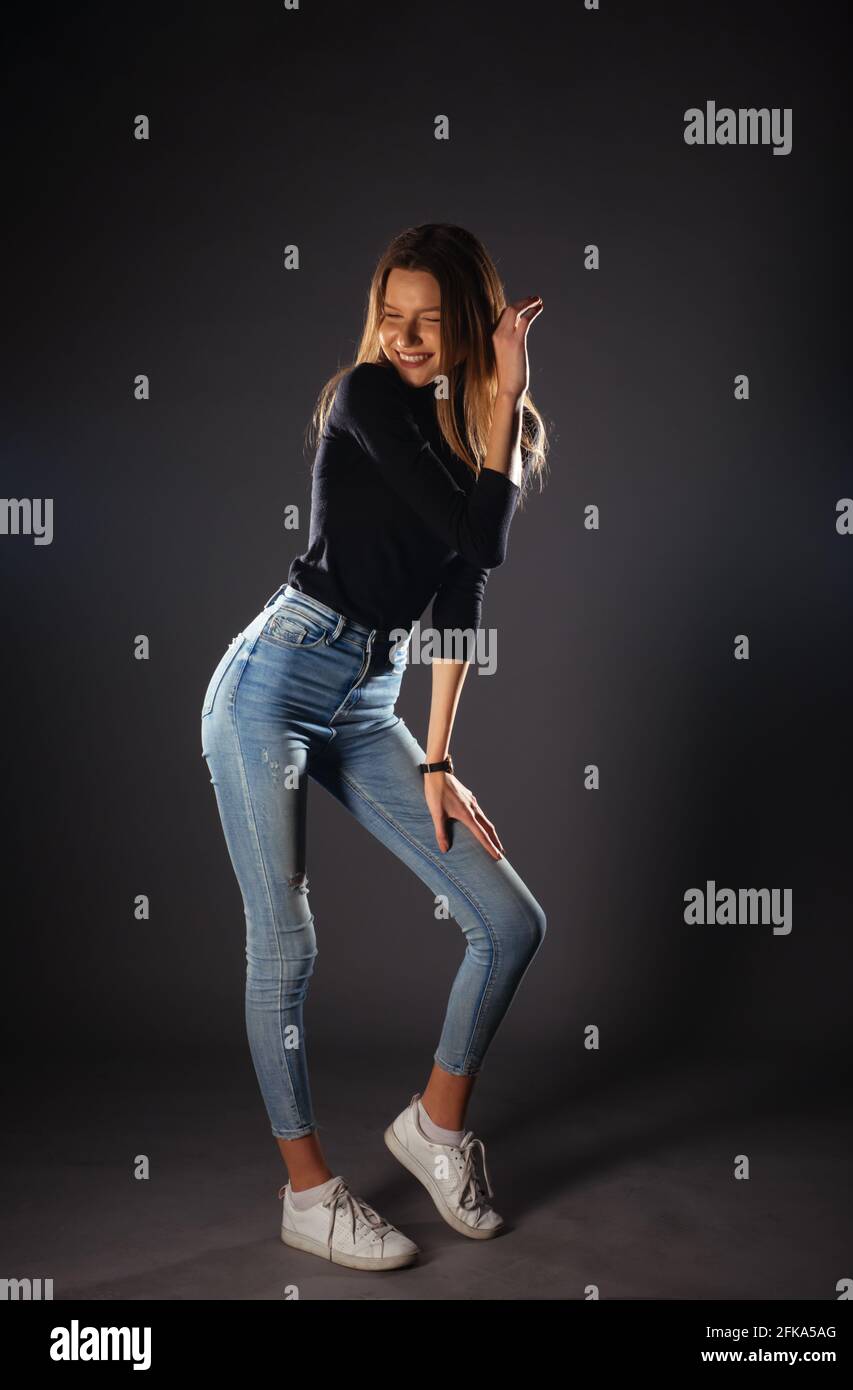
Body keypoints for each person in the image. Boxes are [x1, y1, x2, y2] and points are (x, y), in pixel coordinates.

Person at [200, 223, 548, 1271]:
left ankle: (434, 1128)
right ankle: (307, 1192)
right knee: (289, 942)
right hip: (274, 678)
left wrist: (438, 760)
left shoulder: (495, 434)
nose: (401, 337)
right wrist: (495, 404)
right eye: (390, 316)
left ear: (467, 324)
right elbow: (475, 534)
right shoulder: (361, 398)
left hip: (369, 694)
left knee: (509, 920)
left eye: (427, 322)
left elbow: (462, 593)